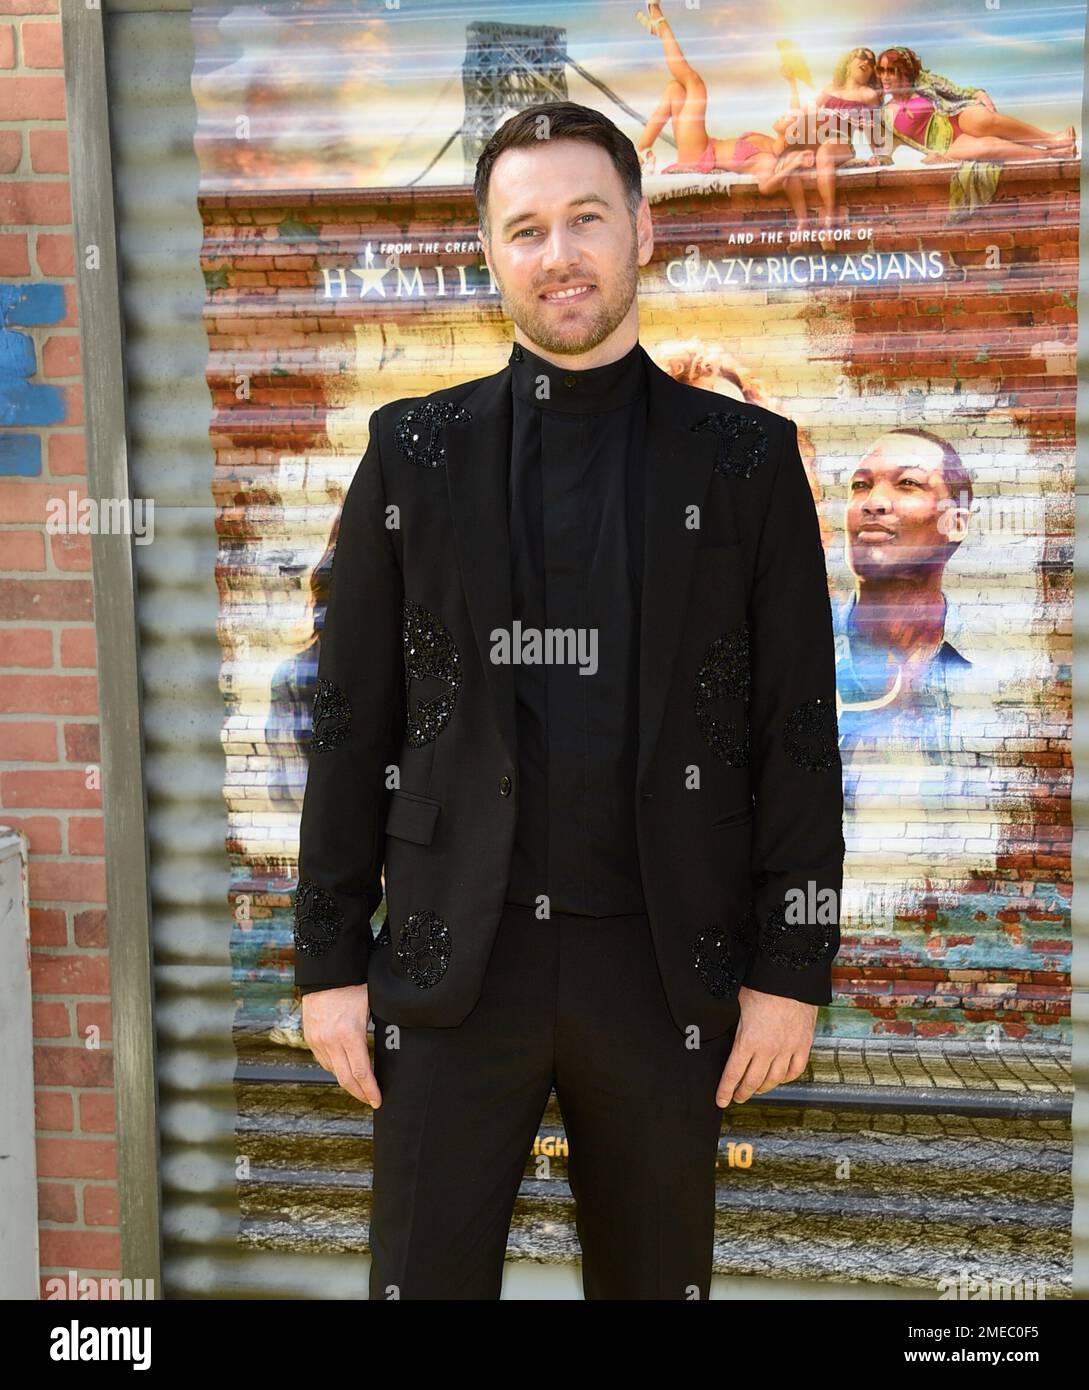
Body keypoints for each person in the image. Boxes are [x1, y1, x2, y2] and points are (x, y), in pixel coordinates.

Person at [294, 98, 844, 1300]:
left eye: (587, 218)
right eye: (527, 228)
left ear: (644, 230)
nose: (561, 254)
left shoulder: (748, 463)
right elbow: (349, 724)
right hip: (452, 964)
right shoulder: (413, 454)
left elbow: (797, 734)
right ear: (490, 254)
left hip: (661, 970)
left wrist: (792, 968)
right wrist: (328, 962)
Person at [633, 0, 814, 232]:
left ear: (792, 137)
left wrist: (794, 163)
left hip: (699, 157)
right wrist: (792, 84)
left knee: (696, 85)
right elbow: (795, 111)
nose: (786, 115)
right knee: (675, 90)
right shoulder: (768, 142)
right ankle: (641, 152)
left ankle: (661, 25)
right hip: (705, 145)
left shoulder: (767, 160)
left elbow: (767, 187)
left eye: (790, 121)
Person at [876, 46, 1076, 162]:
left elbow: (956, 91)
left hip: (954, 118)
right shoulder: (885, 114)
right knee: (987, 147)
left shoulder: (923, 81)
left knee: (984, 119)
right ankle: (1050, 154)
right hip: (945, 146)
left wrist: (978, 93)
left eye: (891, 71)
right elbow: (885, 149)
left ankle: (1052, 140)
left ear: (905, 71)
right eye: (881, 70)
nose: (885, 77)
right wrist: (878, 159)